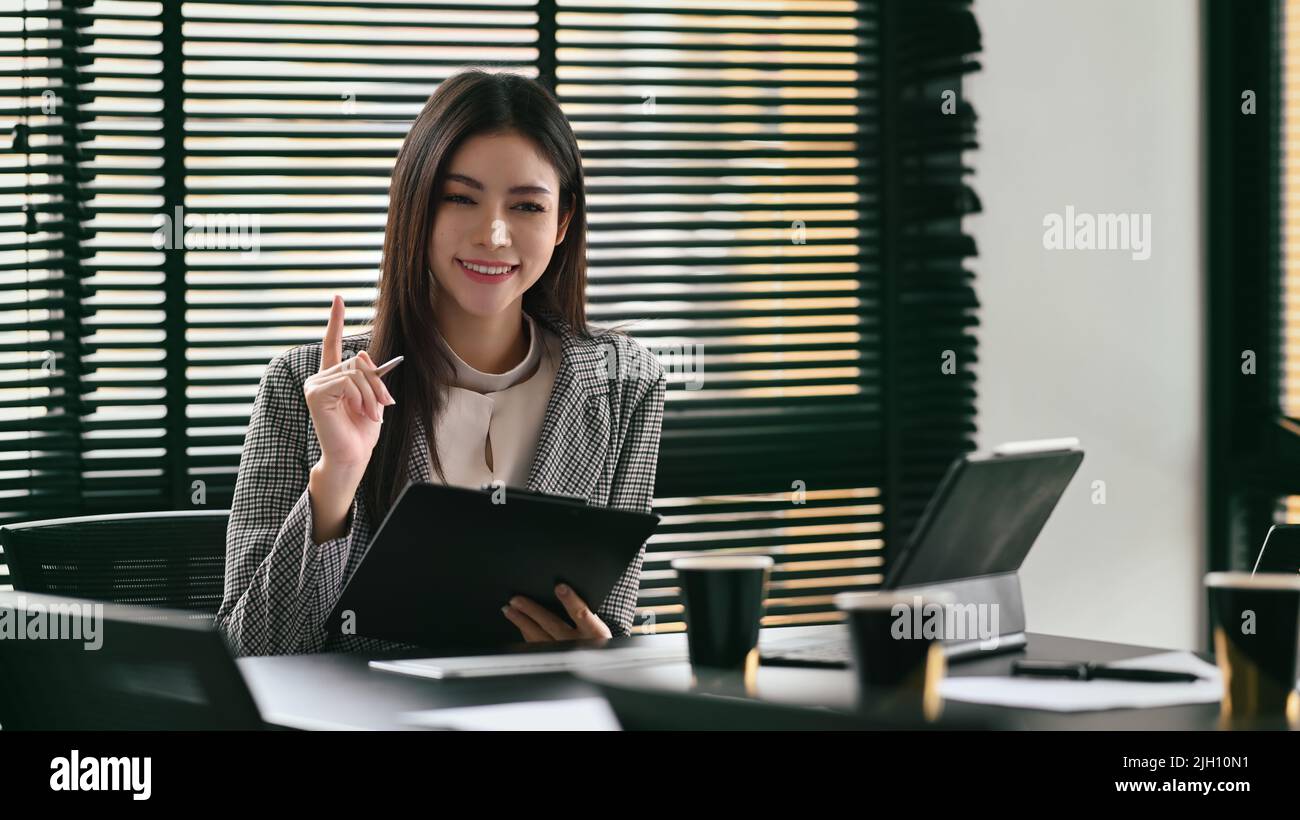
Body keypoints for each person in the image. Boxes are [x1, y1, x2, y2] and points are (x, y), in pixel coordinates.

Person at [216, 70, 666, 656]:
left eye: (527, 205)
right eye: (460, 198)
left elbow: (610, 623)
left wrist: (593, 647)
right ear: (416, 208)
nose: (495, 235)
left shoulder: (625, 384)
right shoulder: (304, 390)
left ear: (561, 224)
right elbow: (248, 652)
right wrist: (337, 480)